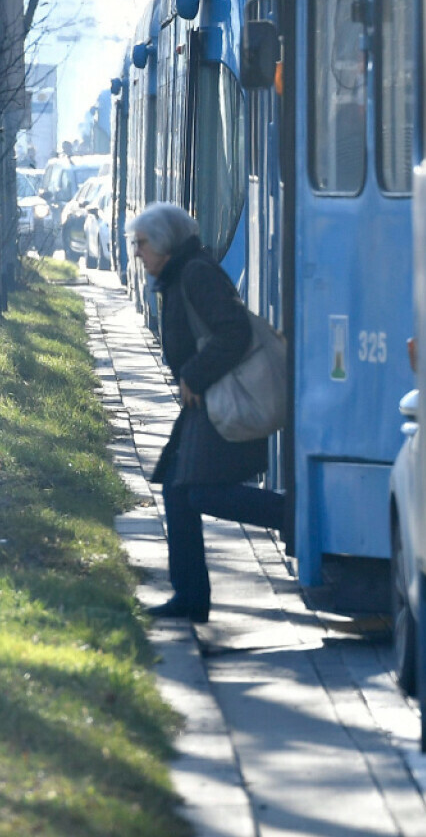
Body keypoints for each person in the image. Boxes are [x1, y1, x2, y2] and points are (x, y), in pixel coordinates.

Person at [129, 202, 283, 622]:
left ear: (163, 242)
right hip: (205, 397)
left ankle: (292, 516)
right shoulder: (181, 272)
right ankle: (190, 597)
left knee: (199, 492)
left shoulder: (196, 273)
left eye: (142, 243)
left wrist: (195, 375)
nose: (137, 253)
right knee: (179, 491)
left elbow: (233, 330)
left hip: (218, 397)